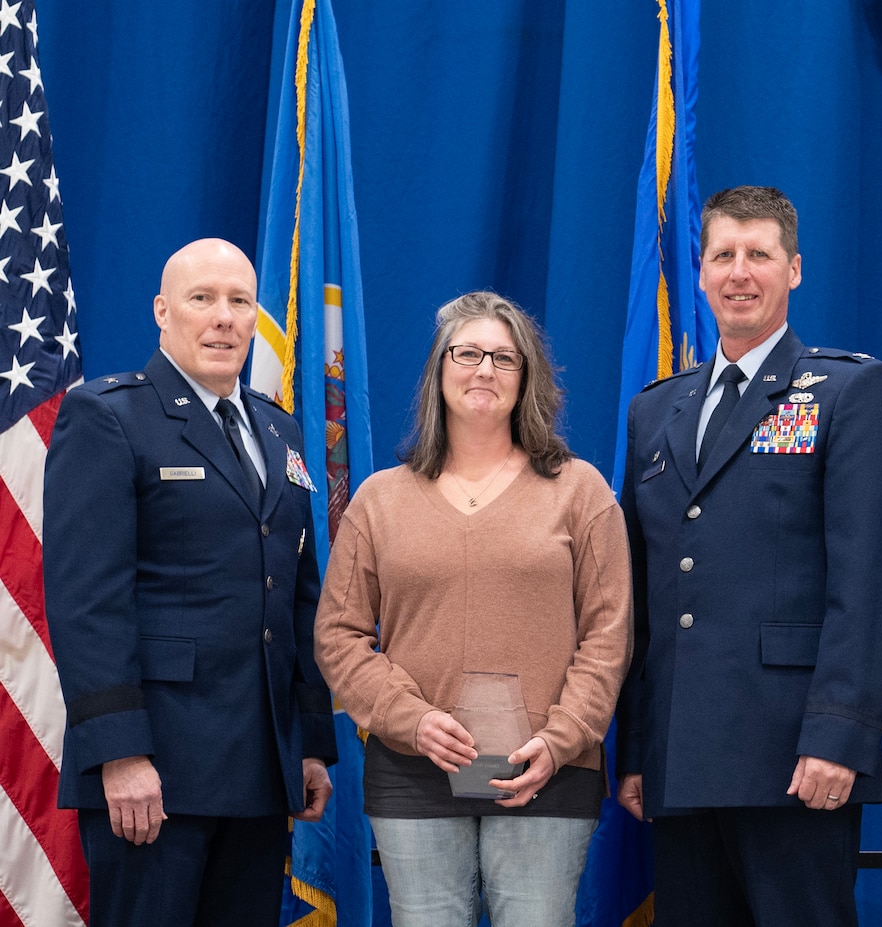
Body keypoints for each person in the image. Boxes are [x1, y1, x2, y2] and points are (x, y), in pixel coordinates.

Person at [616, 185, 882, 926]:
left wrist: (839, 738)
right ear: (702, 268)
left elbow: (867, 582)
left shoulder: (848, 391)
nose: (739, 272)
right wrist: (637, 750)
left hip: (794, 756)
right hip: (681, 757)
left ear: (795, 269)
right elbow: (645, 598)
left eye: (759, 255)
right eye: (723, 255)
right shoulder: (657, 409)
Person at [314, 291, 632, 927]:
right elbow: (339, 636)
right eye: (467, 353)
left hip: (545, 772)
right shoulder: (380, 500)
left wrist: (562, 738)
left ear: (527, 380)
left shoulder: (580, 491)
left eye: (504, 359)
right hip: (413, 773)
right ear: (439, 370)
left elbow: (609, 632)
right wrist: (410, 719)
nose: (484, 370)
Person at [42, 238, 337, 925]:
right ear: (162, 311)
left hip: (260, 767)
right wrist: (120, 753)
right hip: (157, 769)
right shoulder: (109, 416)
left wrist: (310, 741)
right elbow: (88, 602)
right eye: (202, 299)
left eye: (239, 301)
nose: (224, 318)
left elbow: (297, 590)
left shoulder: (279, 428)